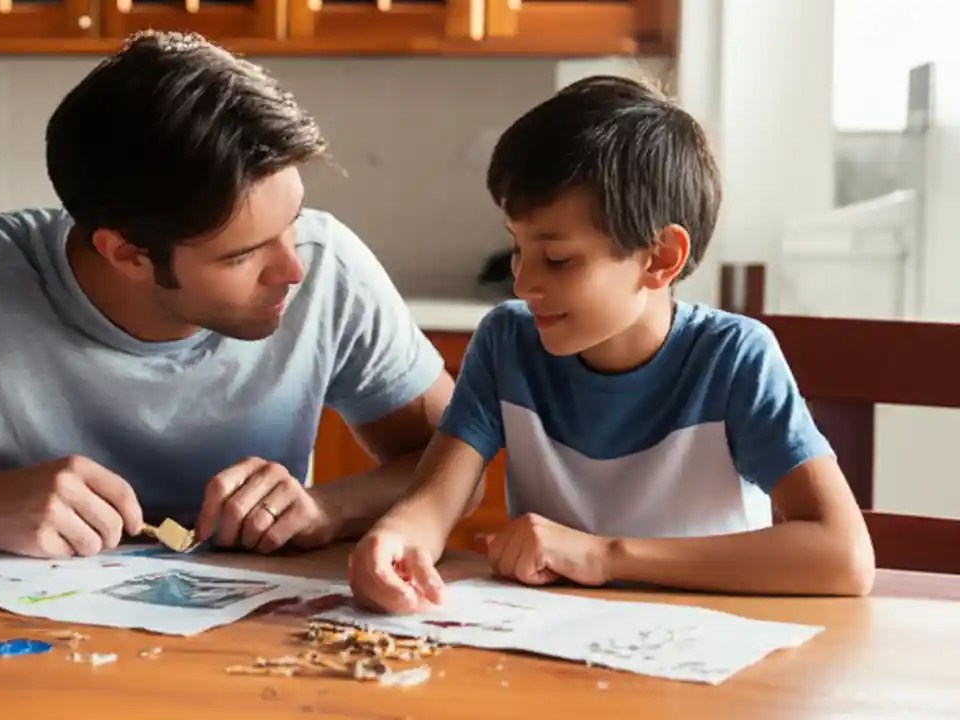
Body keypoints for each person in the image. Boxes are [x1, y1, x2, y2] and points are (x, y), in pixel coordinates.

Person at [0, 30, 458, 560]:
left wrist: (331, 506)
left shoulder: (327, 268)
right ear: (126, 253)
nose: (293, 270)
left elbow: (456, 457)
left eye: (293, 222)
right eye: (240, 254)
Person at [348, 76, 876, 611]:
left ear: (660, 258)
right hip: (550, 655)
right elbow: (434, 502)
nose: (524, 282)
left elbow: (844, 555)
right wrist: (396, 537)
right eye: (516, 248)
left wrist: (606, 556)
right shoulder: (507, 344)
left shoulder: (735, 359)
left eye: (557, 259)